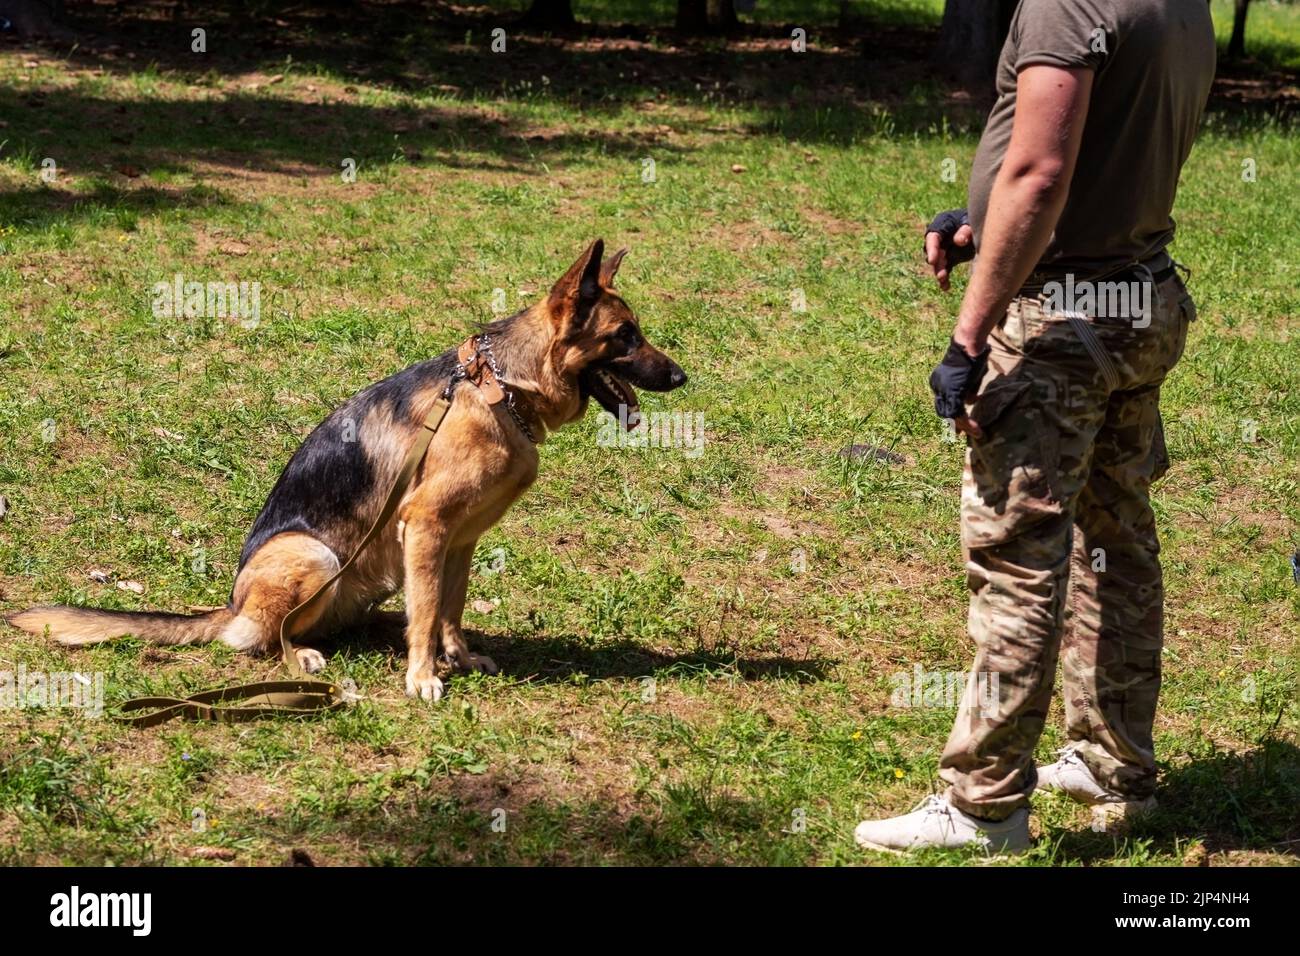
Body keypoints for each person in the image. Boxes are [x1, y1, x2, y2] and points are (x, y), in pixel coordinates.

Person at [855, 0, 1216, 853]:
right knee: (1114, 542)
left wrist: (968, 336)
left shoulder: (1069, 4)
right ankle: (1111, 760)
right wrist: (990, 225)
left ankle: (983, 805)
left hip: (1062, 329)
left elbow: (1042, 175)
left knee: (1018, 555)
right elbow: (1109, 153)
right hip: (1138, 299)